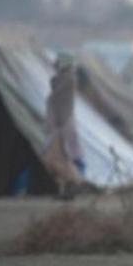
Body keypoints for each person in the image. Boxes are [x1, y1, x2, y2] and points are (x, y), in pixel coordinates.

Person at [43, 53, 85, 199]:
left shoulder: (67, 79)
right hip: (59, 125)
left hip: (62, 125)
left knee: (56, 160)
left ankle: (74, 182)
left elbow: (60, 103)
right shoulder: (64, 79)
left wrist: (59, 127)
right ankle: (68, 187)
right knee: (57, 159)